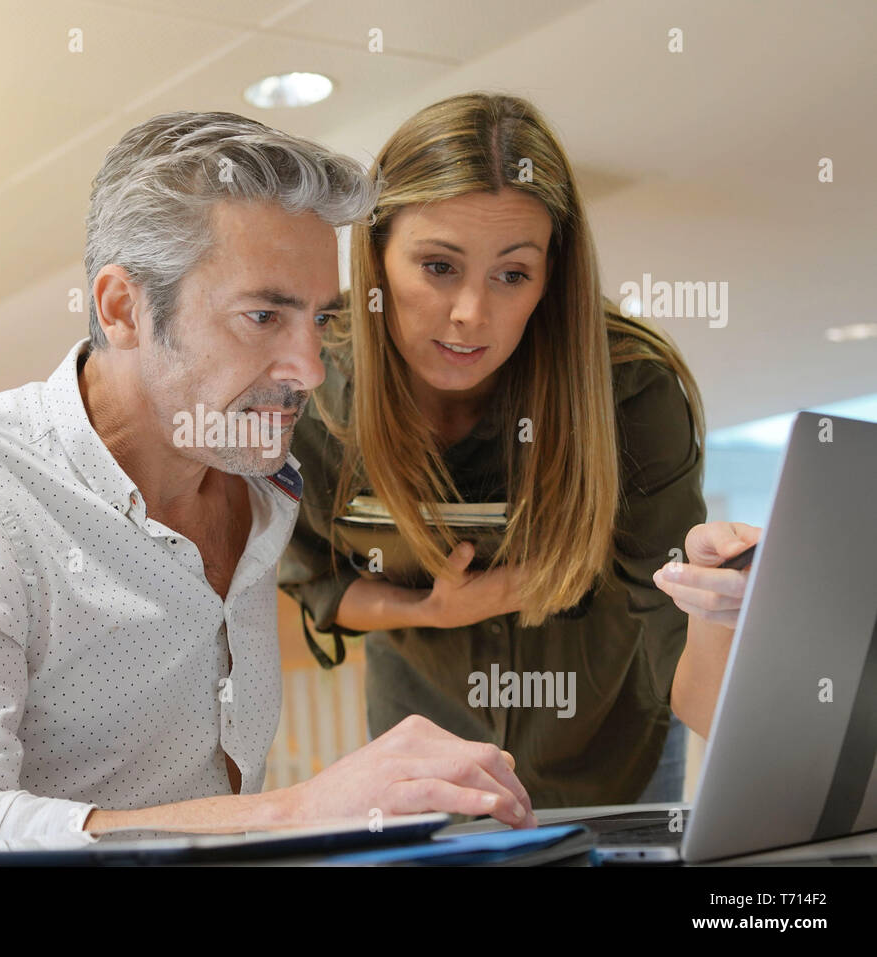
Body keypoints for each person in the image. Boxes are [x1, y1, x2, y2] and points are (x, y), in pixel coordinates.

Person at [0, 111, 535, 867]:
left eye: (320, 318)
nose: (311, 368)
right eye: (262, 316)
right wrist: (294, 813)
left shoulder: (267, 489)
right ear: (123, 308)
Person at [279, 92, 715, 810]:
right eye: (438, 267)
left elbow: (674, 626)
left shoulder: (629, 391)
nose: (470, 314)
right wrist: (432, 612)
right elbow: (317, 584)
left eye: (513, 274)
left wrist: (733, 628)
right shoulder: (317, 387)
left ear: (552, 274)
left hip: (609, 748)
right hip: (427, 755)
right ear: (378, 253)